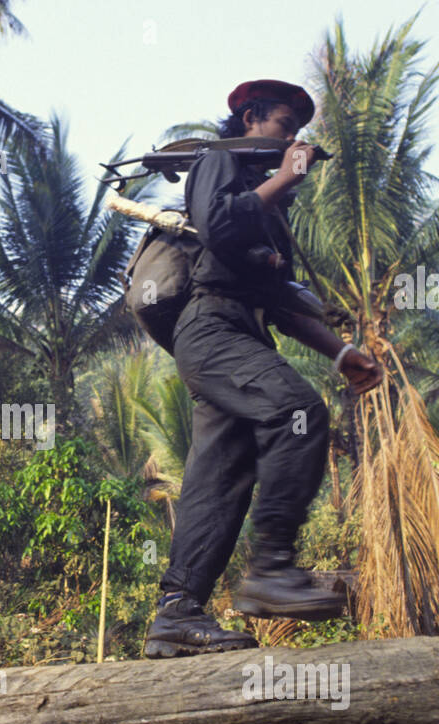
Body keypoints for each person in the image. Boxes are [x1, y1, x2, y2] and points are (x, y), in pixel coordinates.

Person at [143, 79, 383, 660]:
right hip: (210, 331)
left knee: (220, 478)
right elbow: (219, 228)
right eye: (283, 126)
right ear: (251, 118)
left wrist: (340, 352)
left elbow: (279, 301)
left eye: (298, 132)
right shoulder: (216, 164)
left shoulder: (272, 211)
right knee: (297, 411)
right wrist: (285, 178)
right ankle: (272, 567)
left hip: (242, 334)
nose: (292, 139)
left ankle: (177, 614)